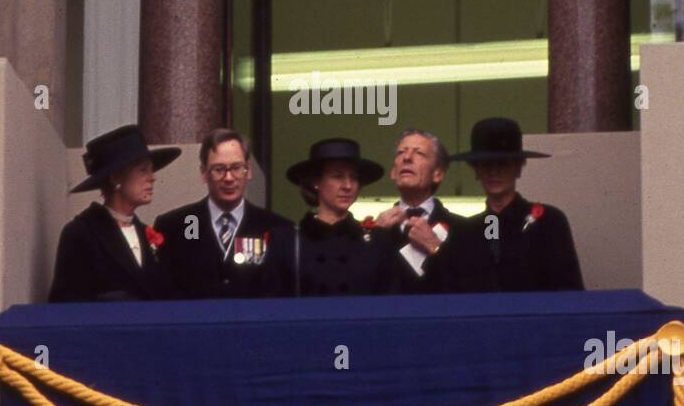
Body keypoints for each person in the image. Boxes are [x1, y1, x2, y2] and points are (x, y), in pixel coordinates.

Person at [447, 116, 584, 292]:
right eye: (486, 164)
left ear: (518, 168)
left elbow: (570, 292)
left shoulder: (549, 222)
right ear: (476, 170)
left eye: (502, 164)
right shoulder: (465, 232)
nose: (494, 172)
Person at [154, 128, 291, 299]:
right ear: (204, 173)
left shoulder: (276, 228)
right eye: (219, 169)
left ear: (248, 171)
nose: (228, 177)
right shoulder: (177, 225)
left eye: (236, 167)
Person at [48, 125, 181, 302]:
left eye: (151, 169)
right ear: (116, 178)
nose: (152, 177)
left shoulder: (146, 233)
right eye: (143, 170)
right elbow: (63, 303)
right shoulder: (81, 233)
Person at [274, 138, 391, 297]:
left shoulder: (376, 240)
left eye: (354, 177)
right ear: (316, 181)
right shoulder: (288, 240)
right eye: (337, 176)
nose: (348, 185)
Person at [370, 127, 461, 294]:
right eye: (401, 152)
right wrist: (376, 238)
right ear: (393, 172)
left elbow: (471, 290)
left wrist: (435, 247)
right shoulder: (373, 232)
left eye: (419, 153)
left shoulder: (464, 229)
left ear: (438, 174)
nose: (407, 157)